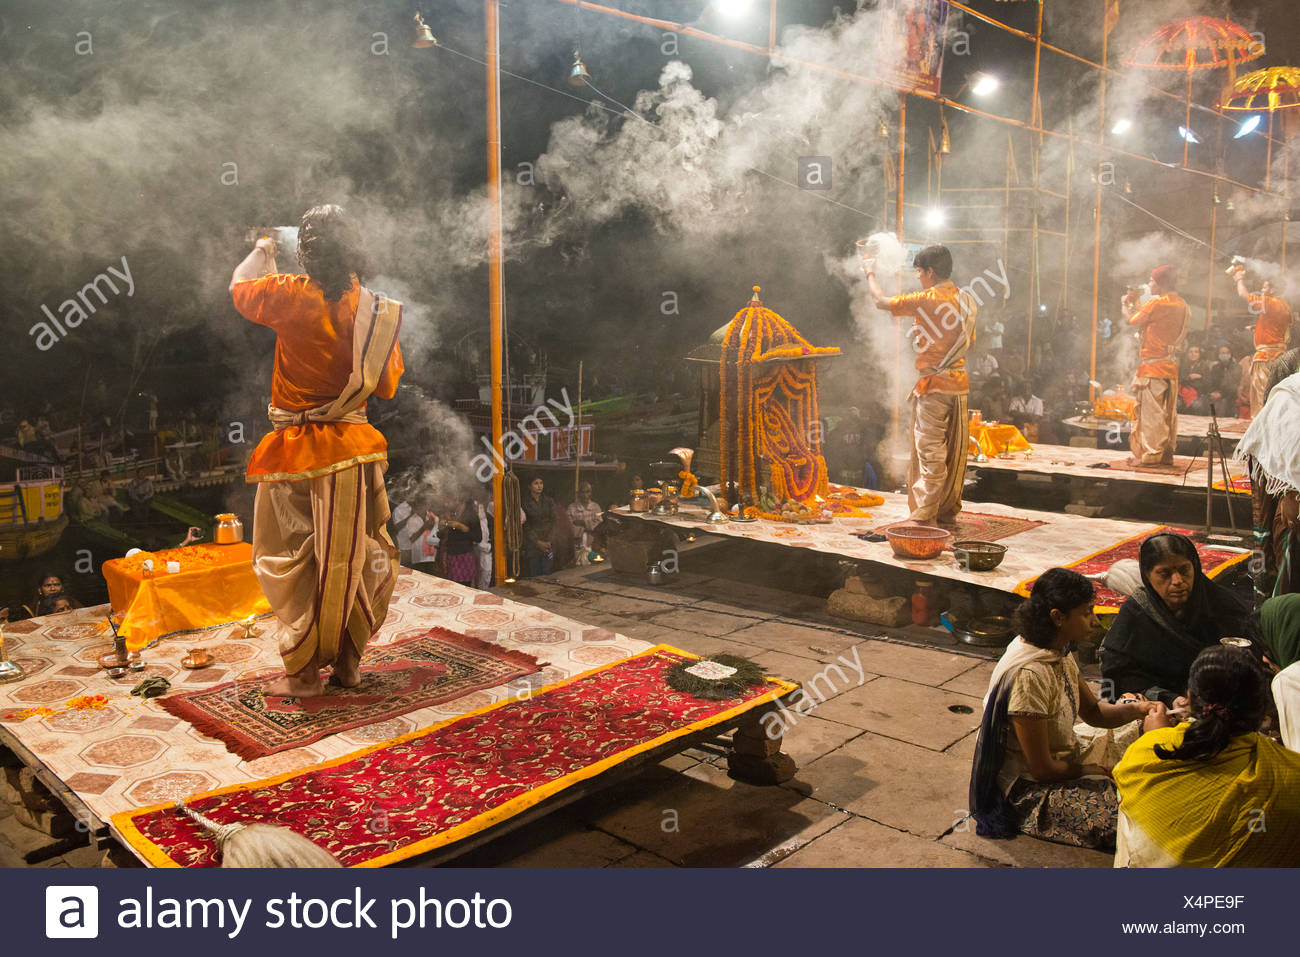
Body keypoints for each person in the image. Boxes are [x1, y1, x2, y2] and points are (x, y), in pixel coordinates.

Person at [230, 204, 404, 698]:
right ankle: (348, 665)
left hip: (296, 455)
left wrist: (262, 250)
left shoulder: (288, 293)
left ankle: (304, 675)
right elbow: (387, 386)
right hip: (356, 450)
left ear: (304, 250)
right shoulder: (376, 309)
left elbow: (238, 287)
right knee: (356, 556)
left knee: (293, 558)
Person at [969, 568, 1158, 850]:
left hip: (1062, 756)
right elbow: (1042, 769)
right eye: (1086, 612)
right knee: (1134, 819)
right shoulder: (1029, 675)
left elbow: (1094, 713)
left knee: (1140, 720)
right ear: (1058, 617)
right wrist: (1089, 770)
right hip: (1030, 787)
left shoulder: (1058, 651)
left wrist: (1140, 710)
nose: (1095, 621)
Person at [1113, 646, 1300, 866]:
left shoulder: (1147, 754)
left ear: (1190, 699)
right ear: (1263, 711)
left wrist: (1154, 737)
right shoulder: (1291, 775)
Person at [864, 244, 977, 524]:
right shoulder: (965, 300)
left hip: (935, 385)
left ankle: (926, 511)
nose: (917, 277)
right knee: (951, 446)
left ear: (930, 271)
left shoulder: (926, 298)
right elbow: (967, 342)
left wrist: (869, 273)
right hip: (959, 384)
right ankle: (946, 508)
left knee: (930, 448)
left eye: (919, 271)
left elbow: (880, 301)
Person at [1100, 532, 1256, 707]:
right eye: (1164, 574)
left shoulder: (1222, 606)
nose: (1177, 581)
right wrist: (1167, 698)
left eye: (1184, 570)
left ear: (1195, 568)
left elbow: (1252, 663)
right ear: (1147, 575)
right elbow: (1117, 672)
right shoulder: (1137, 611)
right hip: (1160, 708)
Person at [1122, 266, 1190, 466]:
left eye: (1151, 281)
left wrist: (1124, 305)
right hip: (1170, 366)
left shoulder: (1158, 303)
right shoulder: (1182, 304)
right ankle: (1165, 453)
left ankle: (1152, 454)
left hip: (1154, 368)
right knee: (1167, 413)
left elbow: (1132, 320)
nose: (1149, 284)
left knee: (1152, 414)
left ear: (1160, 283)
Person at [1233, 265, 1293, 416]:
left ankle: (1260, 433)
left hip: (1266, 359)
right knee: (1275, 397)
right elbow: (1278, 329)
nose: (1262, 289)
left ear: (1272, 290)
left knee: (1261, 398)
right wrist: (1256, 329)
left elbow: (1243, 295)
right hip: (1280, 357)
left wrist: (1239, 279)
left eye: (1265, 287)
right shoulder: (1285, 306)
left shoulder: (1270, 303)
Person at [434, 495, 482, 587]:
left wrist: (463, 528)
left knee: (464, 587)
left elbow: (478, 538)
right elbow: (440, 536)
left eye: (448, 502)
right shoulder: (450, 513)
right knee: (452, 587)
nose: (446, 504)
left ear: (457, 500)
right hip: (450, 556)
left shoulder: (471, 515)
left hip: (464, 556)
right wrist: (442, 529)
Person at [522, 476, 557, 577]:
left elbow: (554, 521)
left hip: (548, 544)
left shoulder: (549, 501)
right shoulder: (525, 503)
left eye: (541, 483)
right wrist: (538, 542)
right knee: (535, 575)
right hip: (533, 545)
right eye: (536, 483)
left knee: (548, 574)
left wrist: (549, 541)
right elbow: (525, 525)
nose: (539, 486)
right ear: (530, 486)